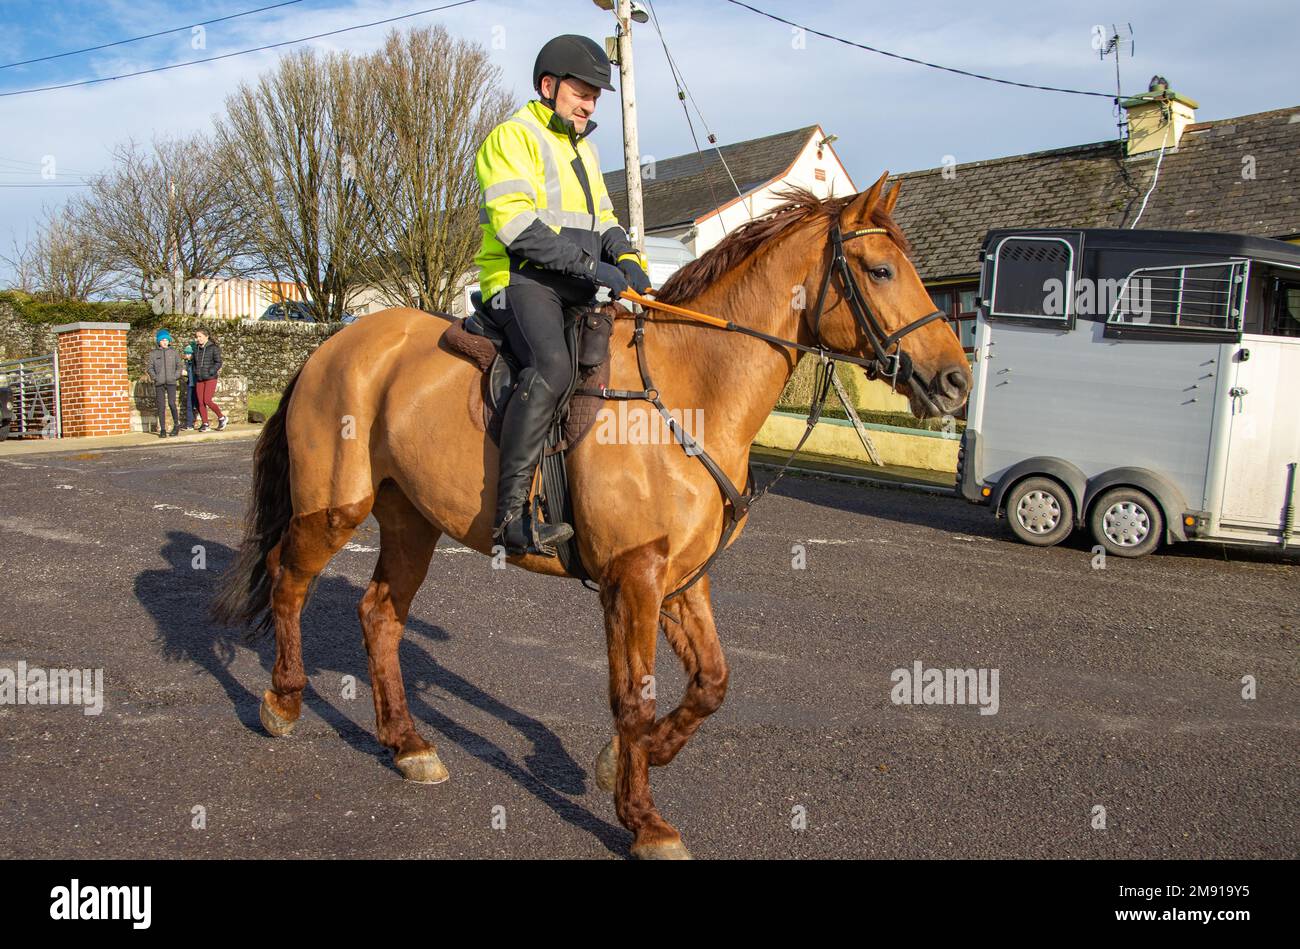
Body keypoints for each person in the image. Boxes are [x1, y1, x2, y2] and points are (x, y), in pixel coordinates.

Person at [475, 34, 652, 556]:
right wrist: (590, 267)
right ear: (549, 86)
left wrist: (628, 261)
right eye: (582, 91)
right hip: (519, 281)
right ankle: (509, 516)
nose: (589, 103)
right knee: (553, 367)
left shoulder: (586, 150)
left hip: (572, 285)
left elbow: (605, 218)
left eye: (596, 96)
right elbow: (518, 227)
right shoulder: (512, 137)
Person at [145, 328, 183, 438]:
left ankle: (176, 425)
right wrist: (155, 378)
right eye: (162, 340)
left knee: (172, 403)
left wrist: (175, 376)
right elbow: (150, 368)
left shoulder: (174, 352)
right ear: (158, 342)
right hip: (159, 383)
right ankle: (163, 429)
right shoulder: (153, 353)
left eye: (167, 340)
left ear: (169, 341)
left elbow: (179, 366)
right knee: (161, 406)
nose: (165, 342)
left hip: (171, 382)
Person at [191, 327, 228, 432]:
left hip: (210, 378)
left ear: (206, 337)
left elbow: (218, 362)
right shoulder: (196, 349)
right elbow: (194, 363)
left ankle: (221, 417)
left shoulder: (213, 348)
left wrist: (211, 371)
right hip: (199, 378)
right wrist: (195, 372)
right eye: (196, 337)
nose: (198, 339)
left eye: (200, 336)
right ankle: (205, 423)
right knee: (200, 402)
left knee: (207, 400)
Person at [182, 339, 199, 430]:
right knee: (189, 404)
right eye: (186, 354)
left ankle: (204, 422)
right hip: (190, 385)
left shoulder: (195, 363)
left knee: (198, 404)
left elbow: (195, 373)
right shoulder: (187, 363)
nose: (187, 355)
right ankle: (189, 424)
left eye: (189, 354)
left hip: (196, 385)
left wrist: (187, 374)